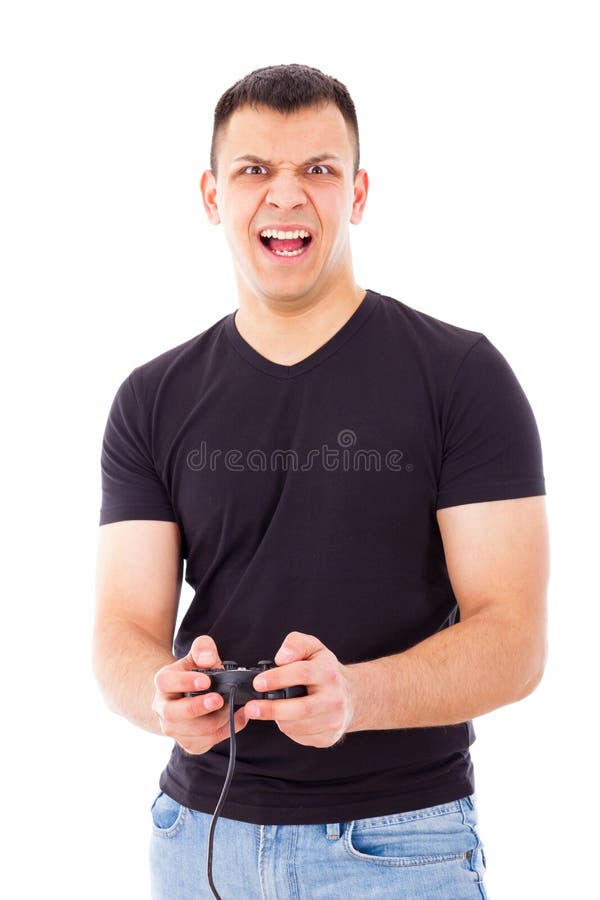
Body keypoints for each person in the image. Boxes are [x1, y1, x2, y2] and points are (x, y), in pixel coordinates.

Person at [93, 63, 549, 899]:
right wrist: (162, 695)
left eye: (318, 168)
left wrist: (356, 697)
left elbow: (515, 642)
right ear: (212, 195)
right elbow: (122, 630)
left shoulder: (461, 377)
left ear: (358, 193)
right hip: (197, 841)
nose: (286, 194)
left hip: (398, 848)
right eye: (253, 169)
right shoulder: (151, 399)